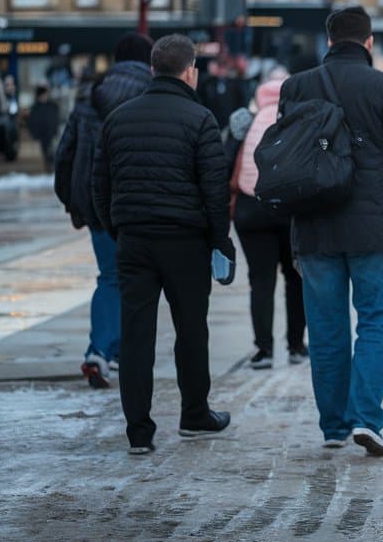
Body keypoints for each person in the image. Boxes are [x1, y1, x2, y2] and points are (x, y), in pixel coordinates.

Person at [279, 6, 383, 456]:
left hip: (316, 225)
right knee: (375, 323)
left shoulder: (296, 87)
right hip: (373, 229)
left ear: (329, 41)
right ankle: (367, 417)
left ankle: (333, 424)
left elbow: (288, 160)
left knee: (325, 330)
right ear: (368, 42)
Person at [92, 34, 235, 454]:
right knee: (191, 330)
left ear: (153, 69)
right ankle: (195, 413)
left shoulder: (119, 118)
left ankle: (139, 429)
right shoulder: (200, 119)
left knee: (136, 335)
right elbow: (214, 190)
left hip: (135, 239)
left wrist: (118, 227)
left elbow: (100, 184)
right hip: (185, 241)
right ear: (190, 71)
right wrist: (219, 241)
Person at [54, 33, 153, 388]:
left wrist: (70, 198)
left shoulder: (88, 95)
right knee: (139, 282)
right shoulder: (153, 93)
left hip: (94, 203)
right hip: (138, 201)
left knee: (109, 277)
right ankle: (122, 352)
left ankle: (100, 351)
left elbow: (65, 152)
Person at [229, 73, 306, 370]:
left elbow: (225, 163)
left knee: (260, 281)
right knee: (295, 278)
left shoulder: (244, 122)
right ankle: (297, 345)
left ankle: (264, 350)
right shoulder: (300, 120)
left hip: (251, 208)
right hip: (291, 210)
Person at [27, 84, 60, 172]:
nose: (45, 96)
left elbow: (56, 120)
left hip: (51, 133)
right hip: (42, 135)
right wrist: (35, 136)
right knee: (46, 153)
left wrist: (56, 131)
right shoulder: (35, 108)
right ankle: (49, 169)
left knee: (53, 152)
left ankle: (53, 168)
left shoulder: (52, 106)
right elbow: (32, 123)